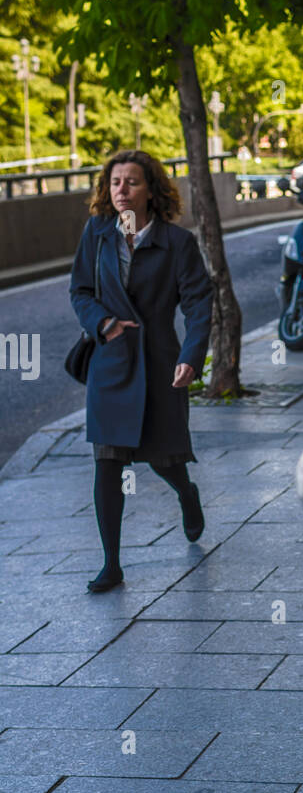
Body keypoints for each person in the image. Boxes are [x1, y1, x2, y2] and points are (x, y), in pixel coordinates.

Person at [70, 150, 213, 593]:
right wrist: (103, 323)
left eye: (132, 182)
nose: (121, 190)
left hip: (159, 364)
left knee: (162, 458)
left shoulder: (177, 243)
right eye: (115, 182)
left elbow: (198, 304)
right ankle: (111, 564)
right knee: (107, 460)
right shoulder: (96, 233)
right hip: (110, 364)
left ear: (151, 189)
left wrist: (191, 356)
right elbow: (80, 291)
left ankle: (186, 493)